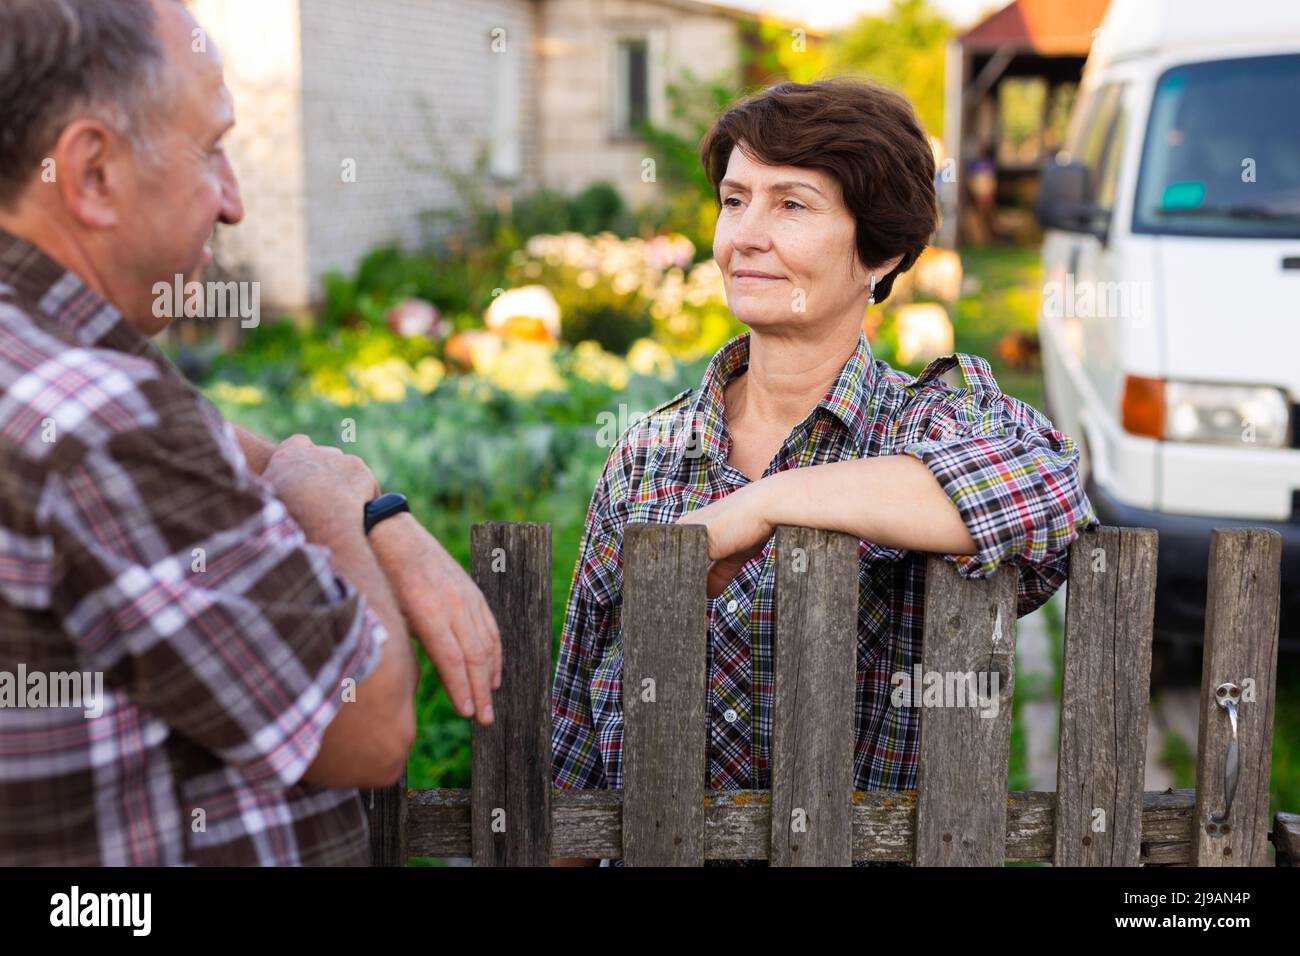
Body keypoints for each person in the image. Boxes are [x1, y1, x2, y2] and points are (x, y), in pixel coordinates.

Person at [550, 78, 1098, 866]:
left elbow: (1049, 491)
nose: (746, 235)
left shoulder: (923, 425)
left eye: (792, 205)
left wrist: (771, 502)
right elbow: (572, 728)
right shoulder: (649, 455)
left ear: (881, 251)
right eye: (735, 200)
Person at [0, 0, 500, 865]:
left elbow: (206, 437)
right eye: (211, 149)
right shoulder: (105, 419)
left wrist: (381, 511)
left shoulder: (47, 361)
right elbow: (369, 727)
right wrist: (331, 507)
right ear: (90, 174)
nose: (232, 203)